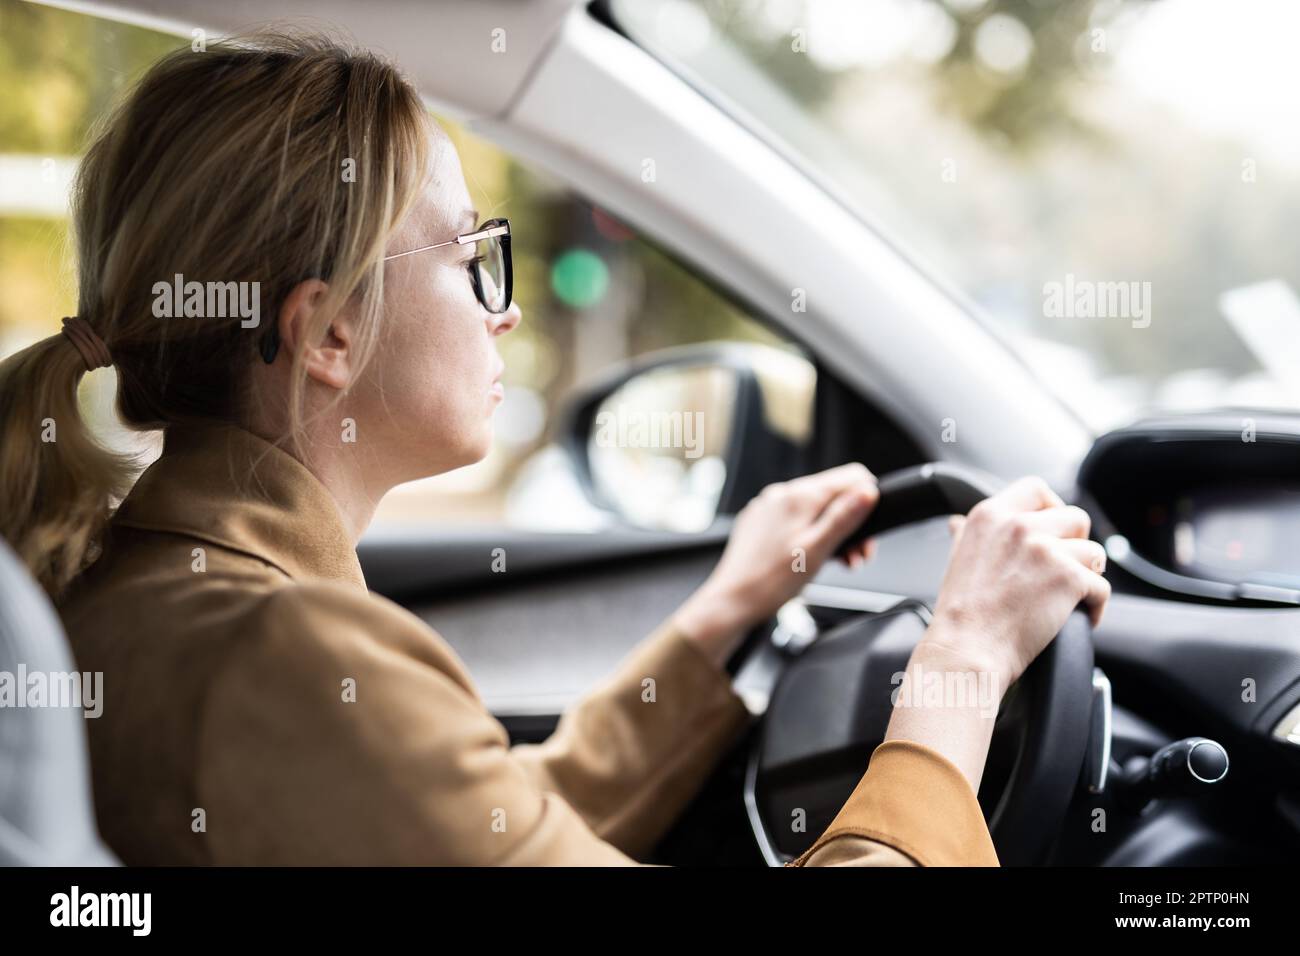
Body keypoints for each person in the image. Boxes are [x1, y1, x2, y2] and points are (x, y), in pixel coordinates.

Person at [0, 34, 1109, 866]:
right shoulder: (285, 656)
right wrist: (959, 664)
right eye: (476, 254)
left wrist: (719, 615)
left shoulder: (120, 584)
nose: (506, 313)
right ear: (328, 329)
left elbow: (483, 821)